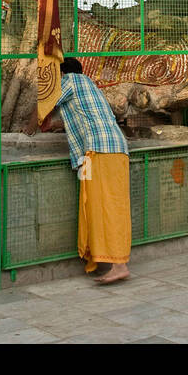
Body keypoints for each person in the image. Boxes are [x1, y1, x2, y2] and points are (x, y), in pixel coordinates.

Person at [51, 57, 131, 284]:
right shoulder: (90, 86)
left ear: (62, 73)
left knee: (101, 206)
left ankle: (117, 264)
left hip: (99, 151)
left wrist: (29, 126)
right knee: (113, 205)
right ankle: (114, 261)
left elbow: (46, 101)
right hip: (116, 149)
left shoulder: (71, 80)